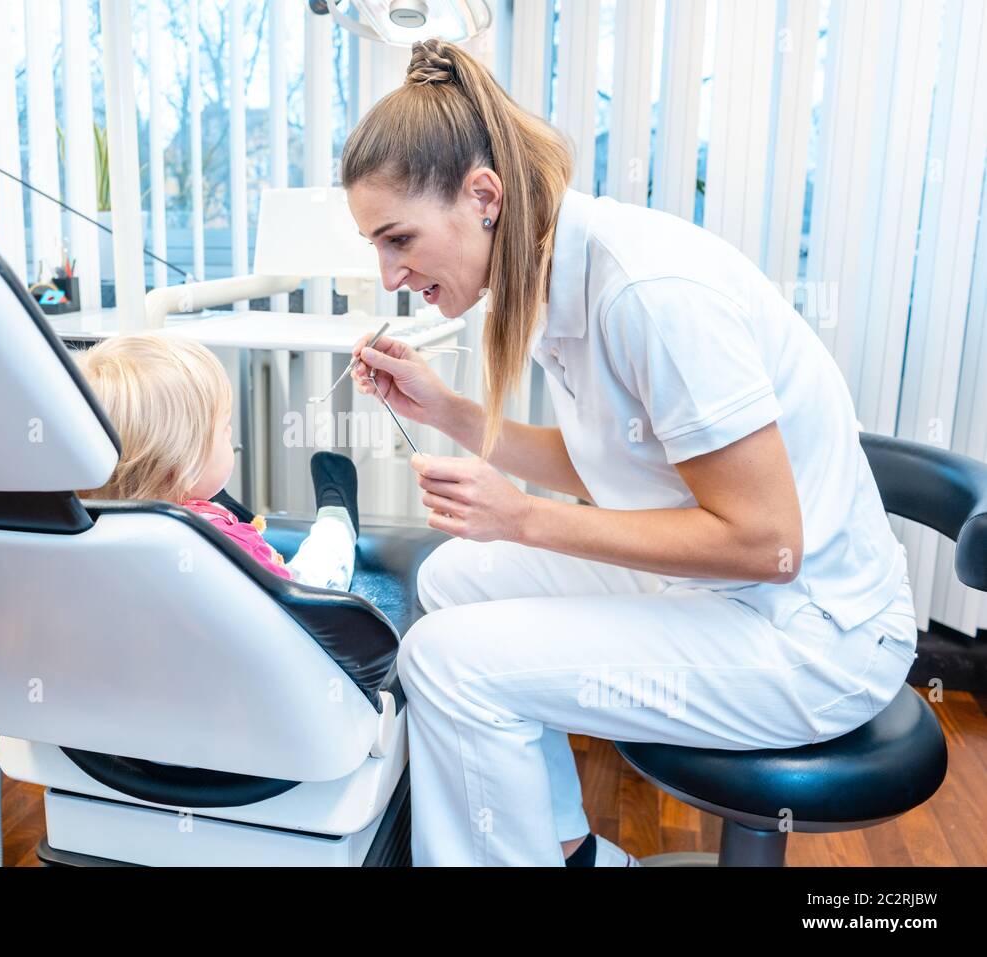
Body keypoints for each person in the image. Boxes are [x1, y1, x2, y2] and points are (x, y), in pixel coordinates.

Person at [341, 38, 917, 867]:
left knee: (448, 663)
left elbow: (769, 544)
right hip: (727, 587)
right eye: (377, 249)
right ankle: (568, 848)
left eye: (399, 239)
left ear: (483, 196)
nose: (392, 274)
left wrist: (526, 520)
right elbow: (617, 467)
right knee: (453, 581)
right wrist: (451, 412)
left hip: (813, 637)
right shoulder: (552, 273)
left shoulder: (647, 295)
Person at [76, 332, 360, 591]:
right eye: (223, 427)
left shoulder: (81, 526)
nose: (230, 432)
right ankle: (338, 516)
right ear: (181, 469)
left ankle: (215, 499)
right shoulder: (223, 543)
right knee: (323, 560)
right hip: (292, 609)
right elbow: (293, 602)